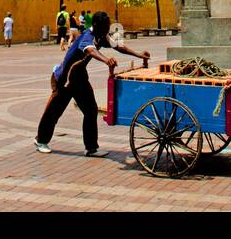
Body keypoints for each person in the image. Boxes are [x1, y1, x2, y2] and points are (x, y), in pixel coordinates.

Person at [34, 11, 149, 157]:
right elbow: (90, 50)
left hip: (79, 78)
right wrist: (106, 60)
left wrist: (139, 55)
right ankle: (41, 140)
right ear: (96, 25)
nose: (108, 29)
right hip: (64, 79)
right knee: (54, 111)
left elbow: (118, 46)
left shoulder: (102, 35)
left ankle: (91, 148)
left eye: (108, 26)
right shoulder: (87, 37)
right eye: (105, 26)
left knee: (91, 111)